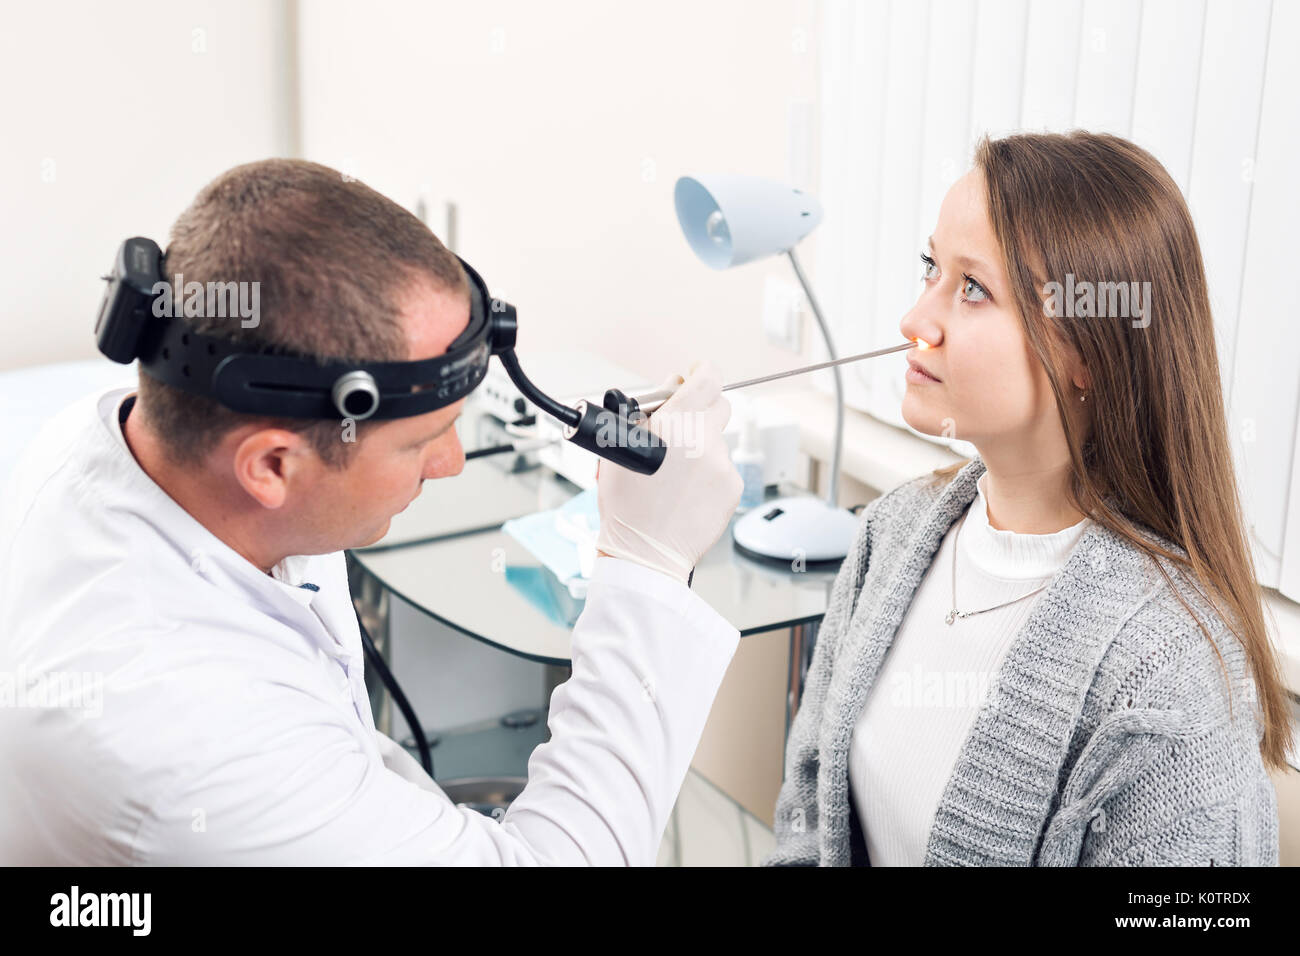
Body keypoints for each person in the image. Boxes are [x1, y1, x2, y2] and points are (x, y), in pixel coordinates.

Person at [0, 158, 743, 865]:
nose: (452, 462)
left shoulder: (120, 438)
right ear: (271, 467)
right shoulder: (193, 741)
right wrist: (648, 562)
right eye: (424, 439)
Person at [765, 131, 1293, 867]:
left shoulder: (1170, 679)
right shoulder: (892, 533)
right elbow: (807, 818)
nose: (915, 323)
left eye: (973, 288)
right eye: (930, 269)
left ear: (1088, 352)